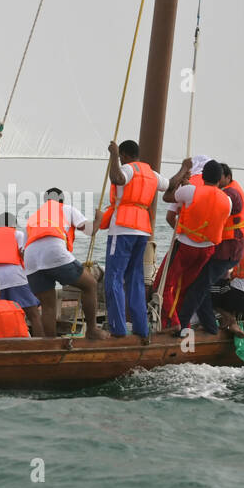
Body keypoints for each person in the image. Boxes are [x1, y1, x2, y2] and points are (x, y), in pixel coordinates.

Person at [100, 139, 165, 339]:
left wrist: (113, 155)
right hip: (142, 230)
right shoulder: (152, 174)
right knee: (135, 279)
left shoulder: (127, 169)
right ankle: (141, 328)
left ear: (125, 155)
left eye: (121, 156)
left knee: (113, 279)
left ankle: (118, 329)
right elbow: (170, 184)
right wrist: (184, 169)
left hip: (122, 229)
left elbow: (117, 178)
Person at [23, 189, 105, 339]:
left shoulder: (34, 217)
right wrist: (99, 218)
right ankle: (92, 329)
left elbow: (23, 249)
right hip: (53, 250)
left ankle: (50, 344)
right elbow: (90, 230)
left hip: (31, 258)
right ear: (61, 200)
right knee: (90, 285)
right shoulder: (66, 208)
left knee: (48, 306)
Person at [161, 159, 231, 333]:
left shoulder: (190, 191)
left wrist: (182, 178)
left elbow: (167, 196)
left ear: (202, 176)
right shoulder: (227, 200)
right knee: (185, 286)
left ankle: (172, 322)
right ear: (220, 178)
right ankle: (181, 320)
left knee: (165, 285)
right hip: (207, 250)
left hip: (186, 246)